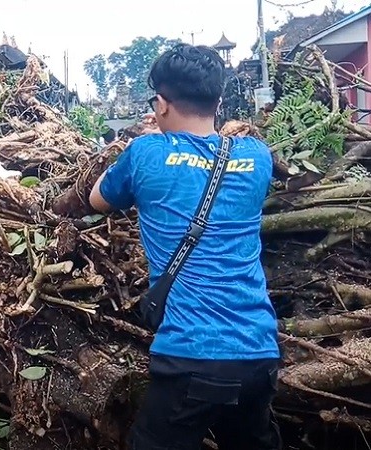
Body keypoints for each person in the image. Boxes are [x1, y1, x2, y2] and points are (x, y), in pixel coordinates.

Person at [88, 44, 281, 450]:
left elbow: (96, 199)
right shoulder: (257, 157)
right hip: (259, 355)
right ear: (220, 102)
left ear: (160, 103)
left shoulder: (146, 153)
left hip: (191, 355)